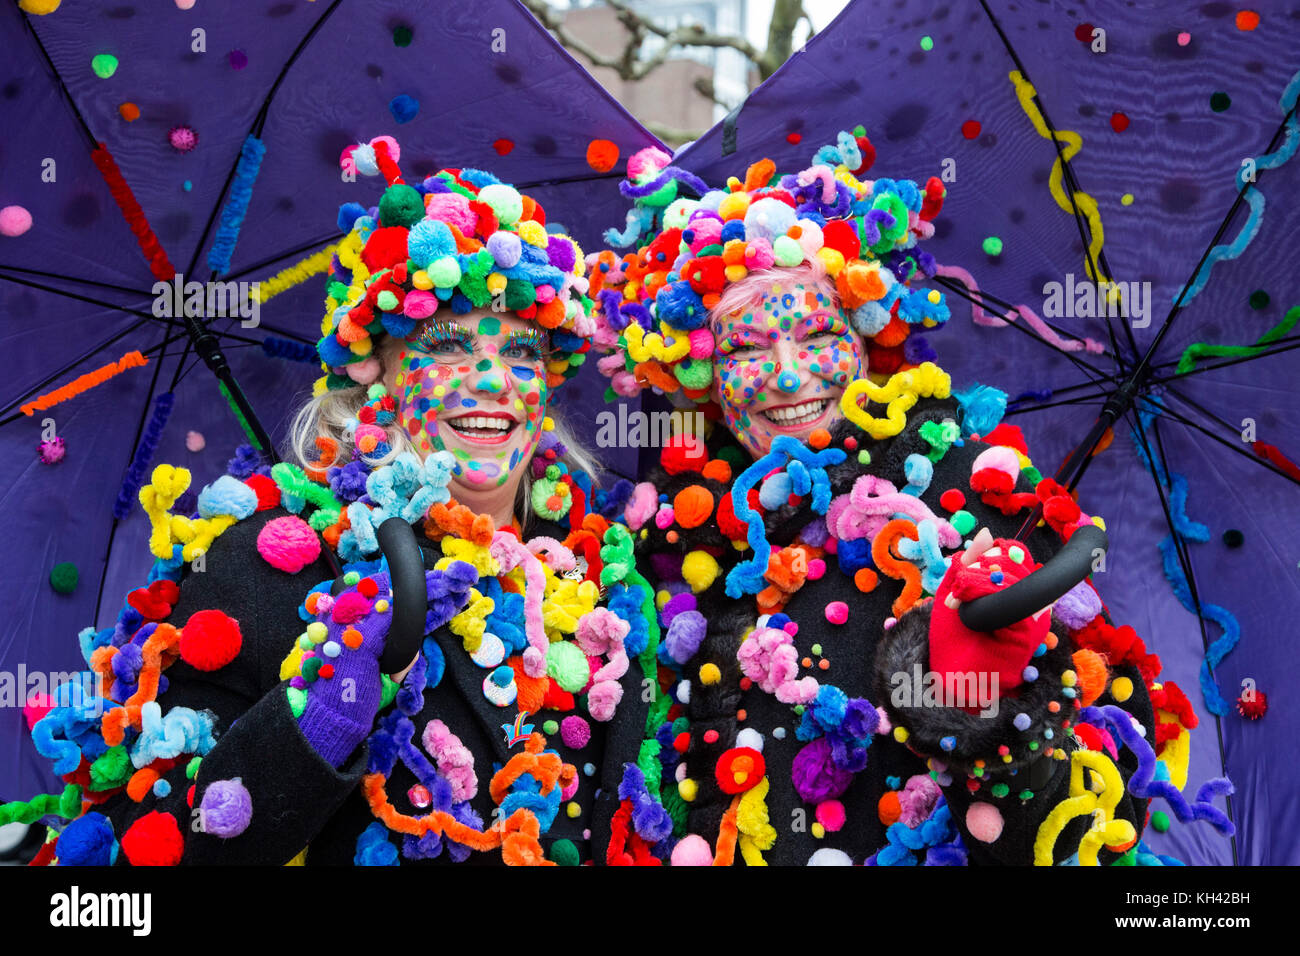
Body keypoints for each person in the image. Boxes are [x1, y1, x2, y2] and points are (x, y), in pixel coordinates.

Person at [16, 136, 670, 866]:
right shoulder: (274, 556)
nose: (493, 379)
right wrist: (321, 712)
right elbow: (148, 853)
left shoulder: (604, 569)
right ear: (377, 375)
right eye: (447, 344)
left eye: (521, 352)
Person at [587, 133, 1235, 865]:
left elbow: (1100, 809)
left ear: (867, 341)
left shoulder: (972, 507)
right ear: (701, 376)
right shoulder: (674, 550)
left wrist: (989, 712)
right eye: (744, 349)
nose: (789, 374)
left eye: (817, 334)